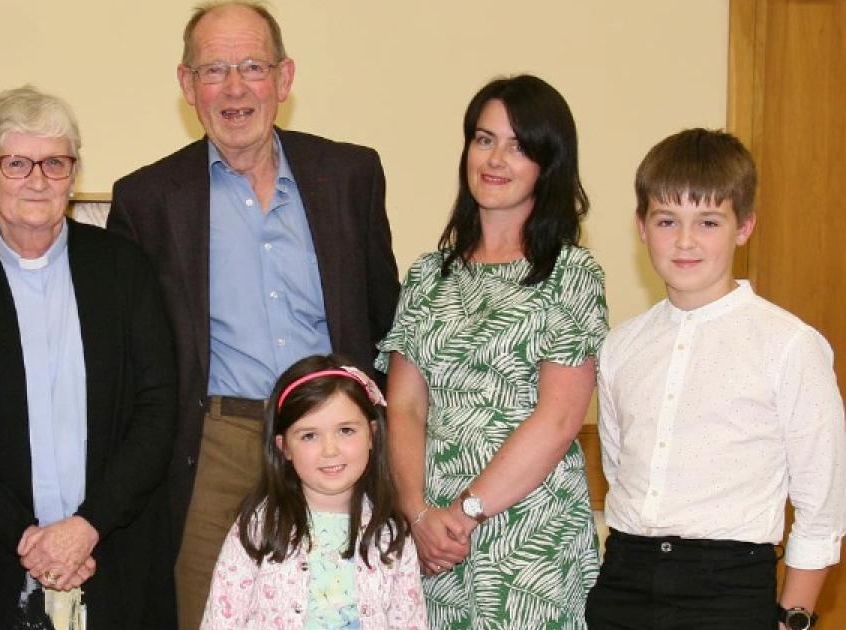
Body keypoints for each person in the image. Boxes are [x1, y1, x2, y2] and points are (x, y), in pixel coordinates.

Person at [106, 3, 400, 625]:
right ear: (187, 85)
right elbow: (131, 362)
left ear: (284, 78)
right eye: (214, 70)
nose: (235, 88)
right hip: (216, 443)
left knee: (341, 610)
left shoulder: (350, 175)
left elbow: (384, 320)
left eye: (252, 67)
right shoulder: (147, 200)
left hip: (335, 443)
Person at [0, 86, 178, 629]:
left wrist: (87, 527)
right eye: (16, 163)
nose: (37, 179)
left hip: (114, 551)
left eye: (55, 162)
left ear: (73, 176)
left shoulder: (124, 270)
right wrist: (25, 537)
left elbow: (158, 407)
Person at [586, 129, 846, 630]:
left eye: (708, 221)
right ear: (641, 227)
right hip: (624, 580)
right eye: (667, 221)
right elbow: (620, 471)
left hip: (729, 590)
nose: (685, 241)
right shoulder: (620, 347)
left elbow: (821, 505)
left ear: (744, 227)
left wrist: (792, 618)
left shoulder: (789, 345)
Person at [379, 74, 607, 627]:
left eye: (518, 145)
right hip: (433, 543)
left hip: (530, 539)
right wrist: (418, 515)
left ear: (547, 165)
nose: (495, 158)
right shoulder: (428, 276)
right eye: (484, 139)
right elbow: (405, 407)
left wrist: (465, 512)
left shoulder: (571, 273)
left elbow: (558, 419)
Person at [201, 354, 427, 629]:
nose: (330, 450)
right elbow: (221, 619)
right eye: (309, 436)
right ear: (284, 447)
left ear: (372, 434)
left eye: (345, 430)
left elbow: (409, 620)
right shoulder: (260, 525)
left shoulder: (390, 532)